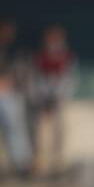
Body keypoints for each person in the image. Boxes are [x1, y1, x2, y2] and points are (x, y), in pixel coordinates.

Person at [0, 20, 34, 177]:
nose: (5, 35)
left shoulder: (19, 53)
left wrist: (7, 83)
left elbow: (23, 78)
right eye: (3, 31)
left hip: (13, 96)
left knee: (13, 121)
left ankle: (22, 163)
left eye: (9, 31)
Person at [29, 25, 76, 177]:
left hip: (58, 100)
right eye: (51, 38)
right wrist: (43, 97)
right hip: (42, 100)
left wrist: (57, 97)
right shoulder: (39, 57)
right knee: (39, 128)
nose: (54, 42)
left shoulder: (67, 57)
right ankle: (39, 161)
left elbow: (69, 81)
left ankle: (57, 162)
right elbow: (35, 80)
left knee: (60, 127)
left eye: (57, 39)